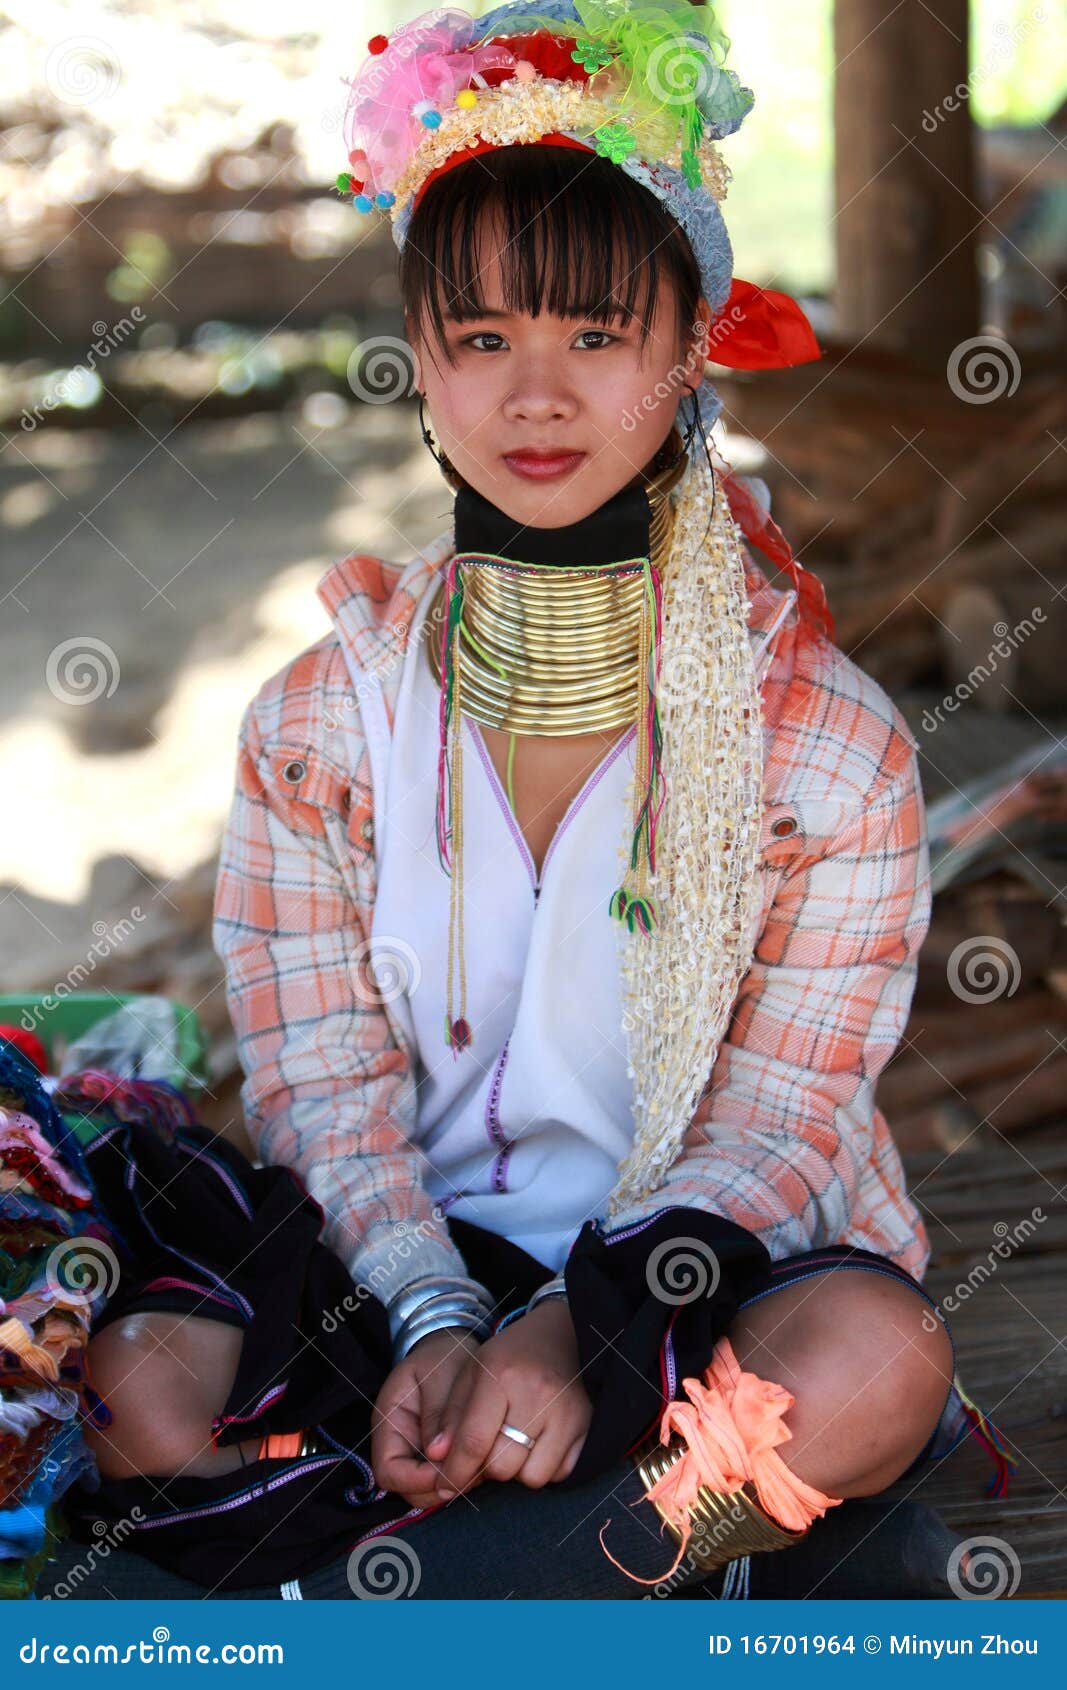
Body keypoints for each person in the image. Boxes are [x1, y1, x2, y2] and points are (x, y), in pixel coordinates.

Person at [70, 0, 1015, 1601]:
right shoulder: (321, 727)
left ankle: (411, 1579)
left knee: (870, 1360)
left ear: (687, 348)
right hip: (408, 1261)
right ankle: (685, 1552)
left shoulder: (825, 746)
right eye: (484, 339)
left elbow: (779, 1118)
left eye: (596, 335)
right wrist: (446, 1320)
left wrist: (578, 1333)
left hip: (713, 1270)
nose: (539, 395)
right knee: (138, 1395)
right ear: (422, 366)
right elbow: (318, 1082)